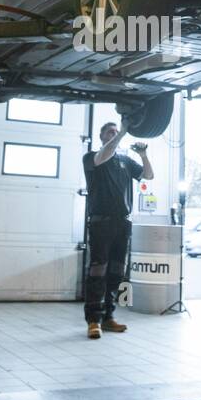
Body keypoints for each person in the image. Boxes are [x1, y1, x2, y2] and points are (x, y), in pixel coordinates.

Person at [82, 120, 153, 339]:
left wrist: (143, 155)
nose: (114, 135)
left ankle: (108, 317)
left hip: (122, 222)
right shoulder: (92, 157)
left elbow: (148, 176)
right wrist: (122, 131)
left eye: (115, 131)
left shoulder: (126, 161)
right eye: (109, 132)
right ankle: (93, 320)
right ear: (102, 136)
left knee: (116, 271)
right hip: (101, 222)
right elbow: (106, 153)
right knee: (98, 270)